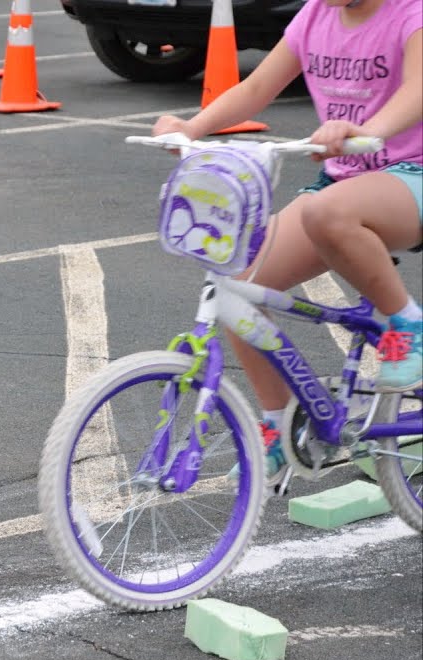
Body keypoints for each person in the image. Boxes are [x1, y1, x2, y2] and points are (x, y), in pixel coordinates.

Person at [152, 0, 423, 477]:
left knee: (325, 211)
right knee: (235, 282)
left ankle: (409, 327)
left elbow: (419, 87)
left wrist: (368, 130)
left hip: (411, 174)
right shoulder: (315, 16)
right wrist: (189, 128)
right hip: (342, 186)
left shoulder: (410, 13)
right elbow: (257, 86)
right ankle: (277, 430)